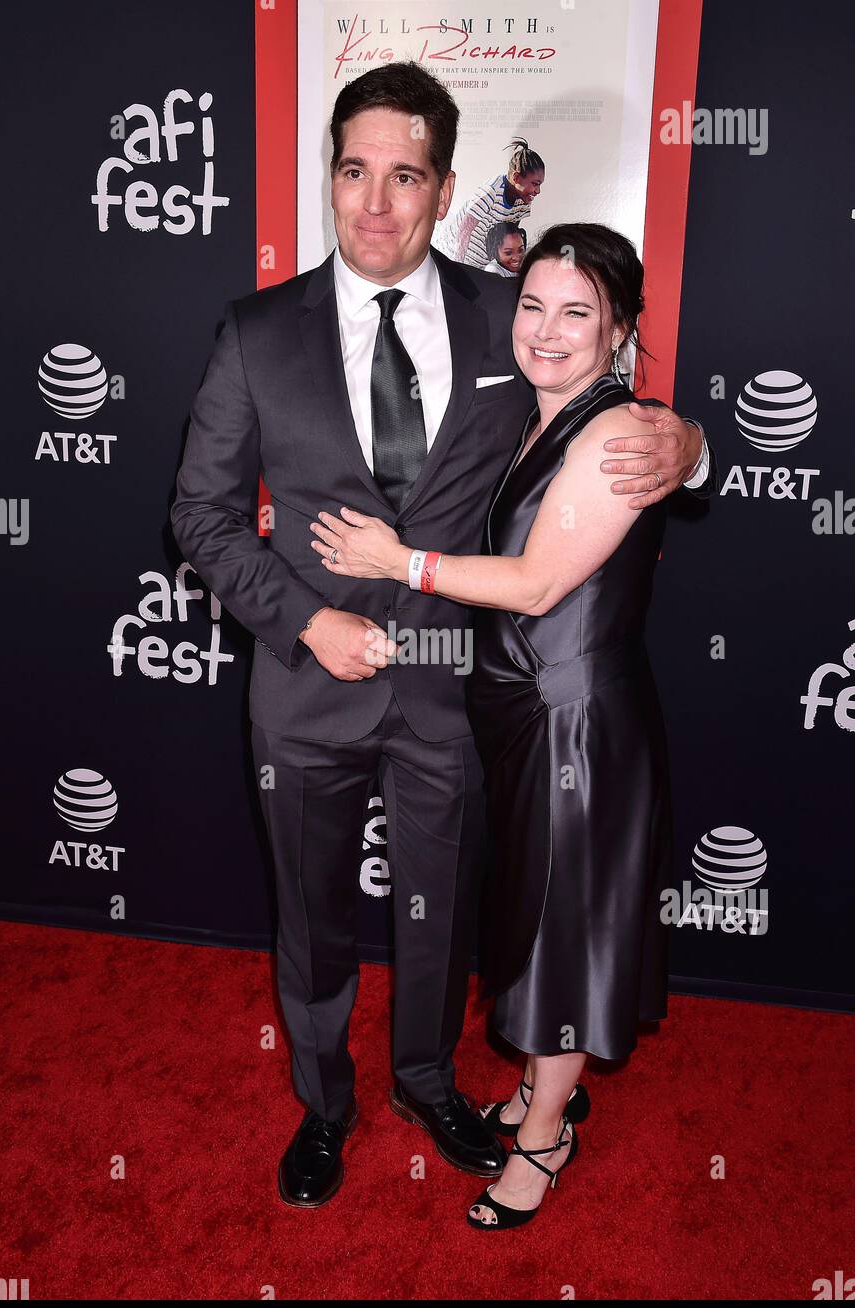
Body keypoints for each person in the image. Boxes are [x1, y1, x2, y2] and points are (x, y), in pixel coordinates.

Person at [171, 60, 713, 1211]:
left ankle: (425, 1079)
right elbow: (200, 515)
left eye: (404, 176)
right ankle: (324, 1103)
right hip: (303, 690)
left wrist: (689, 444)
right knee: (311, 920)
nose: (375, 203)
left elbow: (592, 401)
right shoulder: (255, 333)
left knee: (443, 916)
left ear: (443, 186)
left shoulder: (504, 316)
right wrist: (305, 618)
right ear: (328, 178)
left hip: (451, 694)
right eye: (353, 171)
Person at [309, 222, 700, 1229]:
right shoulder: (536, 413)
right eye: (533, 305)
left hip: (578, 726)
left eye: (577, 312)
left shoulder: (615, 433)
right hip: (525, 713)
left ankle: (544, 1138)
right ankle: (537, 1089)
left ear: (620, 328)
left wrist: (396, 562)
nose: (546, 329)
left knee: (564, 933)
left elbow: (532, 585)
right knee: (539, 915)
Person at [433, 138, 544, 267]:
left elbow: (508, 236)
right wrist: (457, 269)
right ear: (516, 178)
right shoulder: (490, 193)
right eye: (535, 184)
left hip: (477, 265)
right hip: (451, 257)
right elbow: (464, 232)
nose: (538, 191)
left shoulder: (523, 202)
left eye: (540, 185)